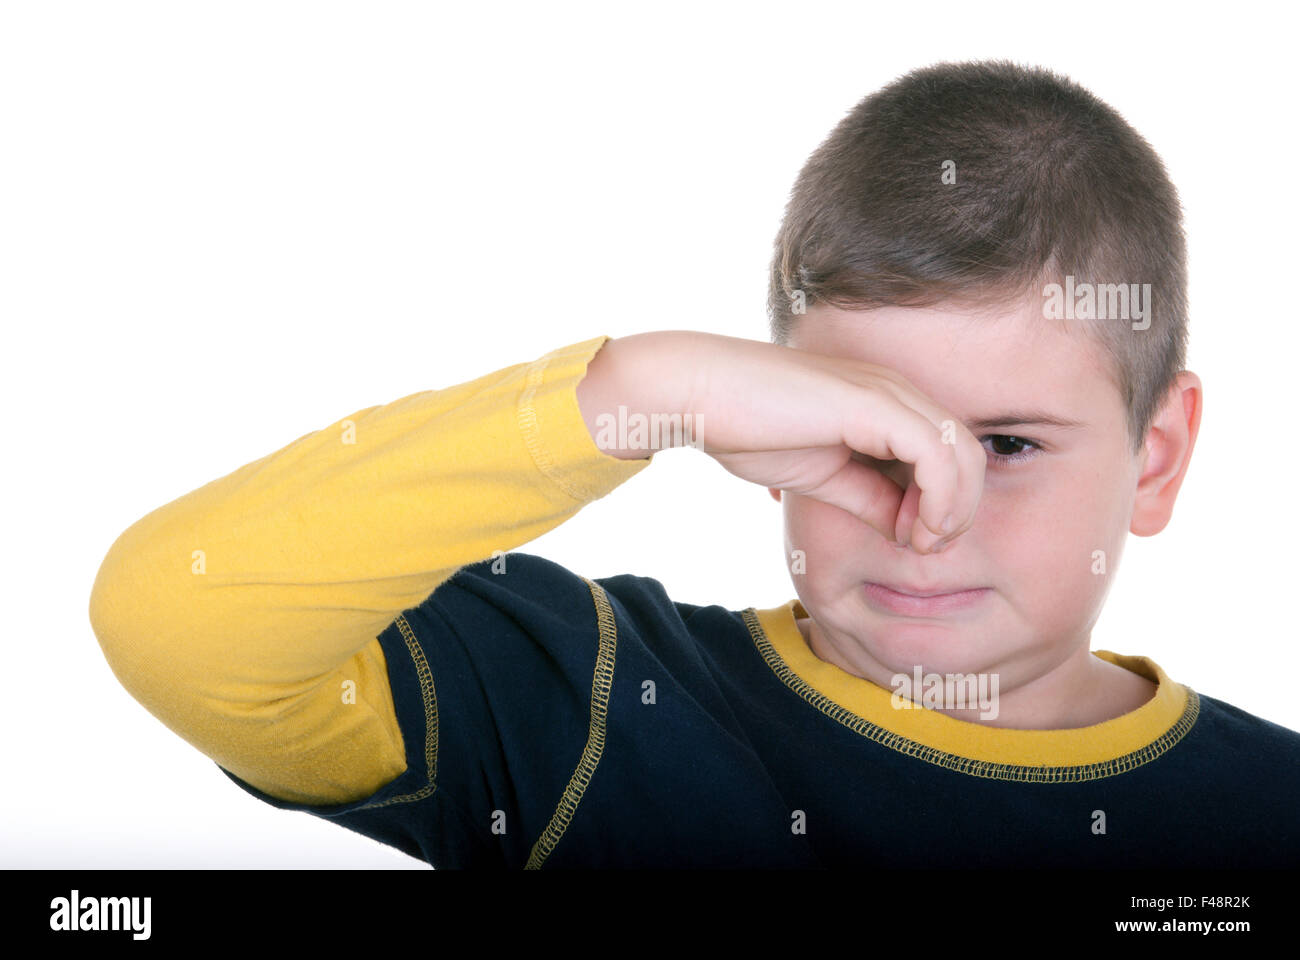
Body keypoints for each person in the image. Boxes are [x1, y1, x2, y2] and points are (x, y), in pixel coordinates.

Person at [88, 59, 1300, 868]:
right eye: (866, 432)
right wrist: (636, 394)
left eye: (1007, 445)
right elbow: (175, 619)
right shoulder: (588, 697)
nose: (929, 515)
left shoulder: (1269, 813)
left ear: (1156, 459)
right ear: (765, 430)